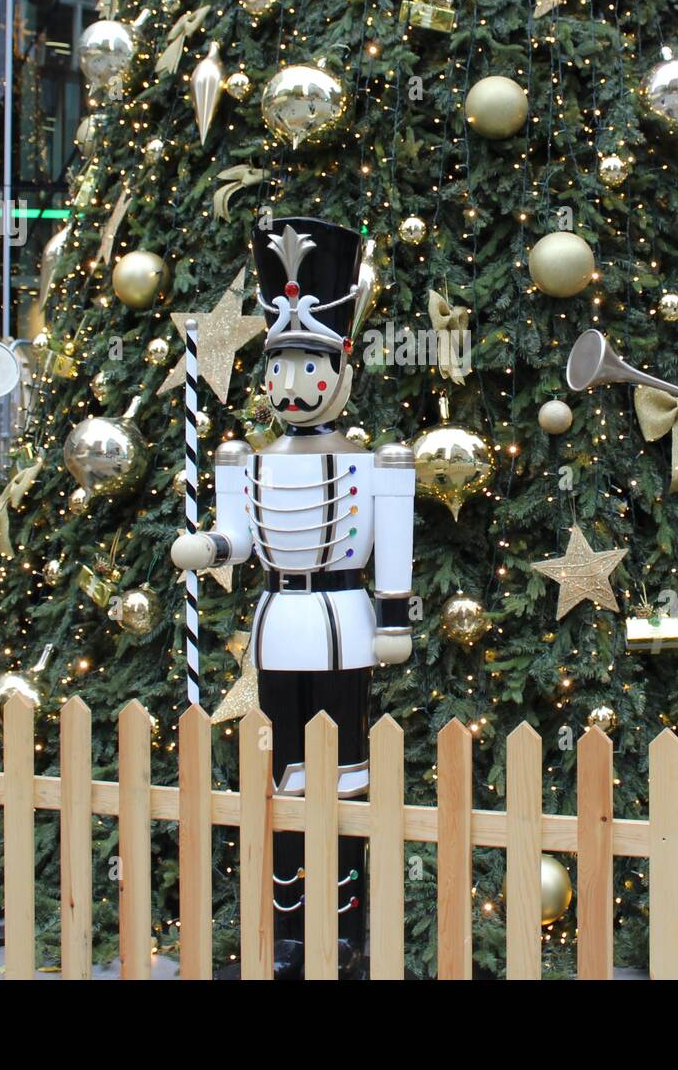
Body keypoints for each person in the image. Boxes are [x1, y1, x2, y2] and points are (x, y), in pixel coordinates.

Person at [172, 218, 415, 978]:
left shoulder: (378, 463)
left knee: (344, 775)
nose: (292, 386)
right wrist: (207, 546)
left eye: (308, 368)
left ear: (341, 370)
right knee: (280, 774)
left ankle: (342, 926)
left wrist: (396, 617)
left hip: (346, 623)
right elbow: (240, 538)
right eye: (280, 369)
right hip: (278, 625)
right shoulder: (246, 457)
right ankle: (285, 923)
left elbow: (395, 549)